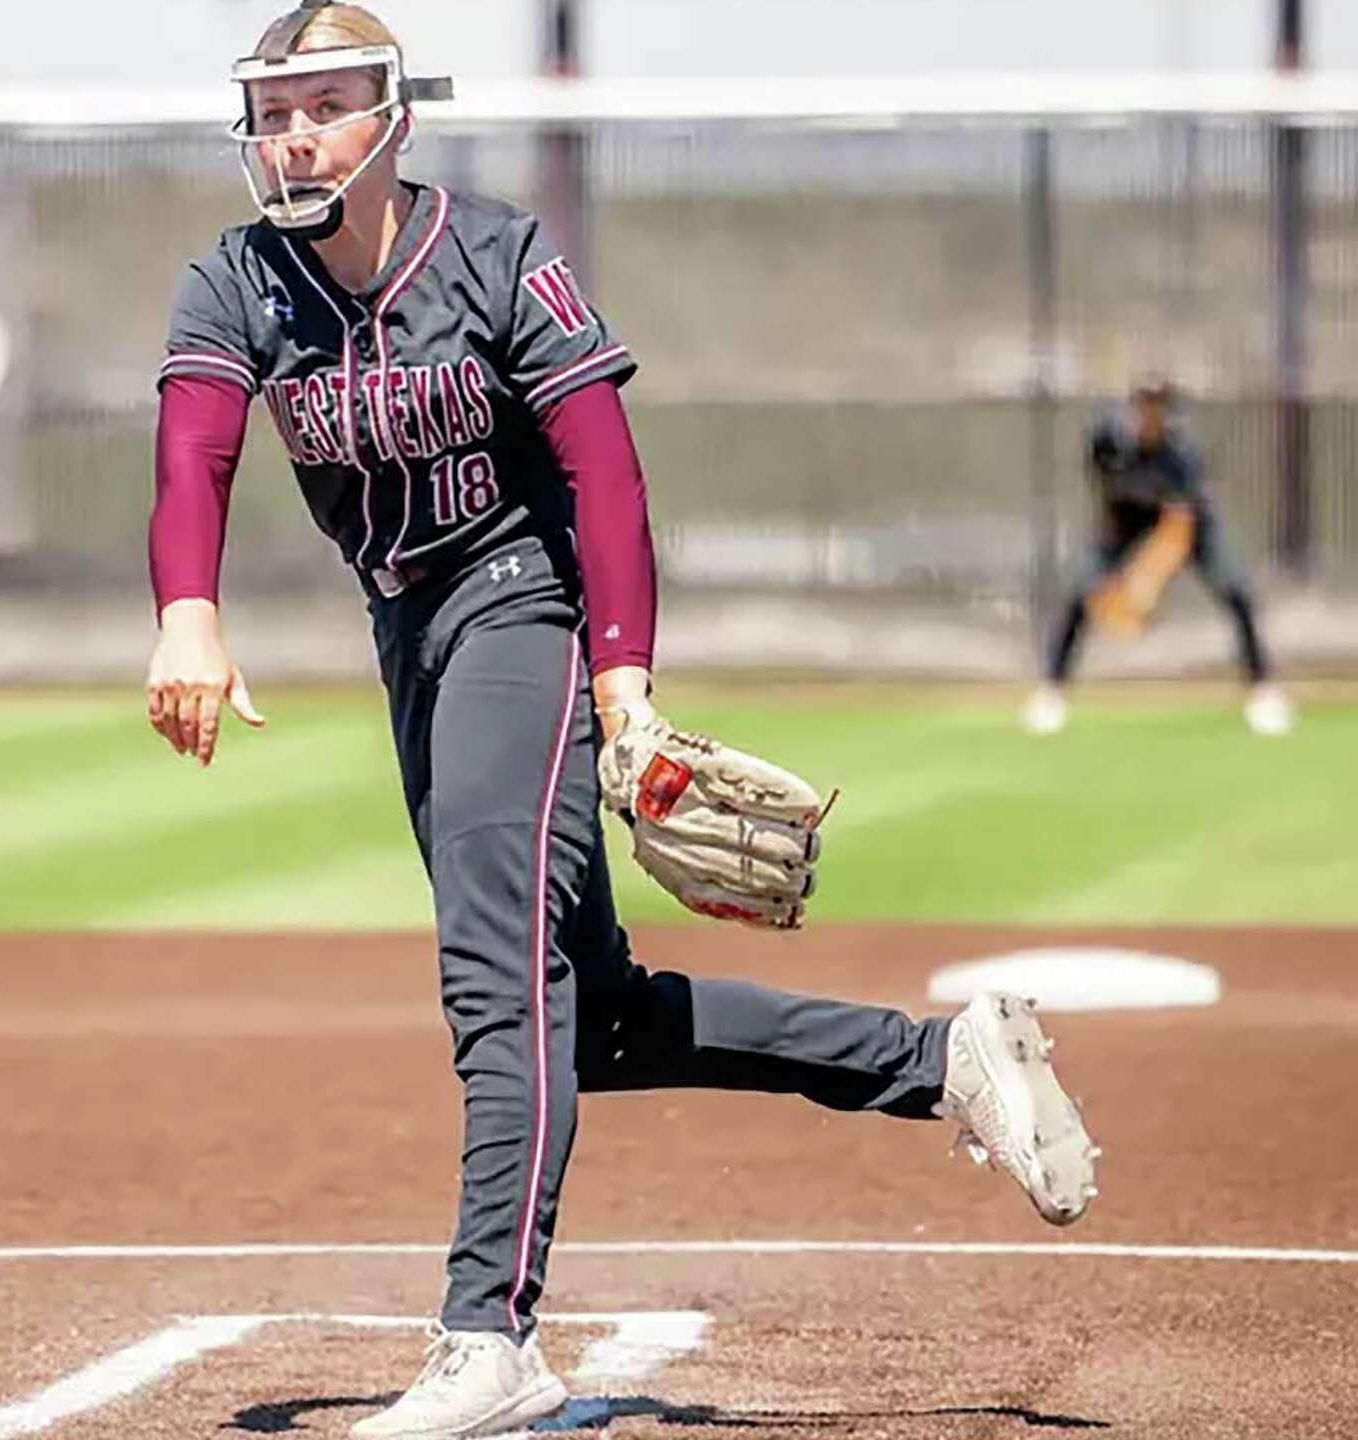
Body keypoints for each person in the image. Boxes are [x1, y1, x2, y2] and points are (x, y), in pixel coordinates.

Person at [146, 7, 1099, 1436]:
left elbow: (606, 474)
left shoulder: (498, 255)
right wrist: (187, 611)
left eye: (328, 102)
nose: (296, 133)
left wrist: (625, 681)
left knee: (498, 968)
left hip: (522, 606)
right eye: (275, 108)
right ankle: (940, 1061)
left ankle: (491, 1336)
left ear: (397, 116)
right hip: (408, 630)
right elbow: (195, 448)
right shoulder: (238, 279)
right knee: (590, 1022)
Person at [1023, 376, 1293, 737]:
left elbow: (1176, 532)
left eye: (1157, 404)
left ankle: (1263, 692)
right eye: (1143, 403)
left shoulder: (1182, 456)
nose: (1149, 412)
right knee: (1079, 594)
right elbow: (1105, 493)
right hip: (1125, 524)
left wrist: (1141, 591)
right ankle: (1052, 692)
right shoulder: (1107, 443)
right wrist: (1113, 581)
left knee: (1236, 593)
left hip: (1189, 528)